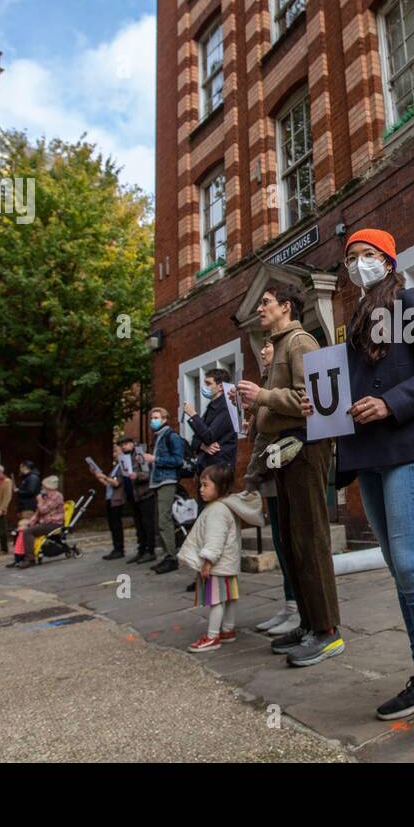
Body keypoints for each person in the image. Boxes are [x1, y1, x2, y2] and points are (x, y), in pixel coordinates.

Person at [303, 229, 414, 757]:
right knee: (401, 570)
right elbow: (352, 390)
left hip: (410, 445)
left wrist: (390, 403)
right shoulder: (355, 319)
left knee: (413, 566)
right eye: (350, 258)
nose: (358, 265)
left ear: (388, 259)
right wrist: (323, 407)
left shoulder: (411, 300)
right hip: (370, 456)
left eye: (367, 256)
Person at [234, 284, 344, 667]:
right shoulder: (278, 346)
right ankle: (309, 623)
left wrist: (261, 397)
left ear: (286, 306)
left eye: (265, 302)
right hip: (283, 453)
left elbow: (310, 402)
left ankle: (328, 631)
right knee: (292, 540)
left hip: (305, 450)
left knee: (311, 539)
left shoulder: (301, 343)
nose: (259, 308)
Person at [245, 339, 300, 636]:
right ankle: (290, 603)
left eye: (267, 346)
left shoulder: (293, 357)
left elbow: (301, 405)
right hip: (268, 464)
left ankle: (301, 607)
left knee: (290, 540)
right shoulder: (266, 381)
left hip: (285, 460)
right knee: (280, 539)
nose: (264, 350)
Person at [179, 463, 264, 652]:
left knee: (215, 600)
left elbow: (215, 540)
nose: (201, 489)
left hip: (217, 565)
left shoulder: (216, 510)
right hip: (229, 563)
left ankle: (212, 636)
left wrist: (207, 562)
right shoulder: (227, 507)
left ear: (220, 486)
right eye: (200, 485)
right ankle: (227, 629)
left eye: (205, 485)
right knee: (230, 597)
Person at [143, 406, 187, 574]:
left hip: (167, 481)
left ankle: (171, 558)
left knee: (164, 520)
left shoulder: (171, 436)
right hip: (158, 481)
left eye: (156, 417)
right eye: (152, 417)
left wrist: (155, 459)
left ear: (164, 419)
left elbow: (178, 460)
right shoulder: (158, 437)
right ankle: (167, 556)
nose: (153, 420)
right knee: (161, 521)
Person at [183, 368, 238, 475]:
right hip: (206, 466)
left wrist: (193, 415)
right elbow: (195, 439)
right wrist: (202, 446)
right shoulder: (211, 407)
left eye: (208, 383)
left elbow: (209, 436)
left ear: (220, 386)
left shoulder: (226, 408)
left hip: (219, 467)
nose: (204, 387)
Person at [10, 475, 65, 570]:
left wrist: (39, 501)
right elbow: (38, 513)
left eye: (43, 487)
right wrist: (29, 523)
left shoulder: (57, 496)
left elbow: (43, 510)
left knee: (28, 532)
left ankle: (30, 559)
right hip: (44, 523)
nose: (42, 488)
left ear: (49, 487)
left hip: (53, 524)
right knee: (19, 530)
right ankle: (19, 558)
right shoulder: (45, 496)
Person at [121, 436, 159, 564]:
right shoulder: (125, 458)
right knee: (139, 525)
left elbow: (147, 474)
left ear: (132, 444)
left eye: (126, 444)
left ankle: (150, 551)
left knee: (148, 524)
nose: (123, 447)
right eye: (122, 445)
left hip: (145, 494)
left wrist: (137, 475)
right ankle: (141, 550)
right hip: (133, 496)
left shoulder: (139, 454)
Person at [92, 442, 128, 560]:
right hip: (110, 497)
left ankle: (119, 549)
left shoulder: (123, 465)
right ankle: (116, 547)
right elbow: (107, 484)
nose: (114, 454)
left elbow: (116, 483)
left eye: (116, 451)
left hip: (116, 499)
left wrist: (105, 477)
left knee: (116, 524)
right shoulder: (116, 466)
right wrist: (98, 476)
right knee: (112, 525)